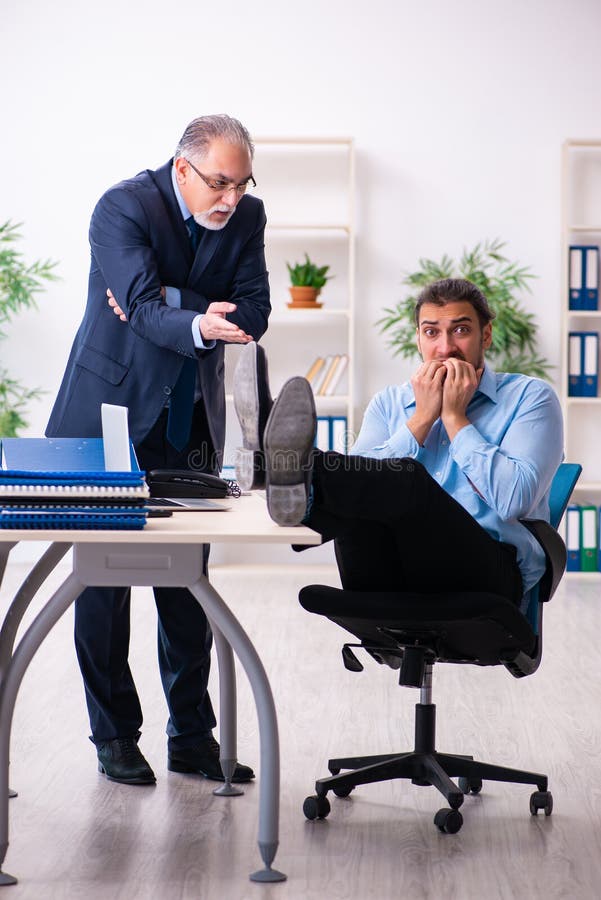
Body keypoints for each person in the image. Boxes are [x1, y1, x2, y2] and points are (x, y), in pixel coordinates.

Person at [47, 114, 270, 785]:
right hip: (107, 414)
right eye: (219, 182)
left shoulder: (247, 217)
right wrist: (187, 309)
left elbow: (254, 313)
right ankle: (114, 735)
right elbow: (138, 309)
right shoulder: (123, 207)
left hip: (190, 419)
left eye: (242, 183)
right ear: (182, 168)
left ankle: (192, 738)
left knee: (186, 585)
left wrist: (176, 299)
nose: (231, 198)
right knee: (103, 585)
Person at [233, 279, 563, 612]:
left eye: (461, 330)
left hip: (490, 576)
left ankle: (278, 467)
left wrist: (454, 417)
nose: (445, 347)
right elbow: (356, 486)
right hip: (392, 568)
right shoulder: (389, 403)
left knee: (406, 477)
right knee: (366, 488)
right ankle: (291, 474)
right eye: (431, 332)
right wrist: (421, 419)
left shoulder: (530, 398)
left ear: (486, 335)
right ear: (419, 339)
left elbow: (514, 501)